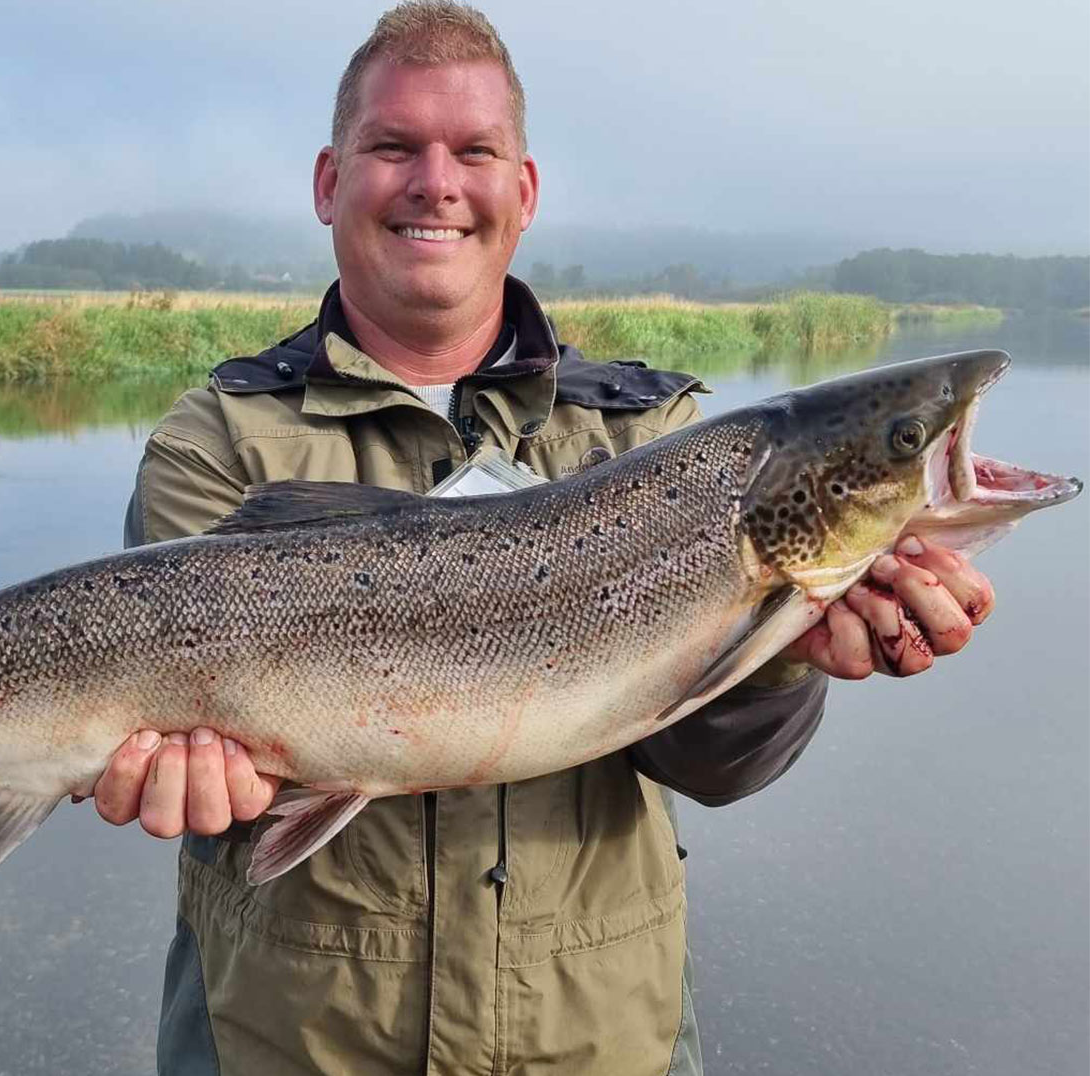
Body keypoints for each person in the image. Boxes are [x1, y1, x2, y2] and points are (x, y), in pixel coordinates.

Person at [90, 4, 996, 1073]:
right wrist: (187, 774)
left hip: (594, 1039)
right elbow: (196, 762)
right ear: (331, 180)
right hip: (289, 1046)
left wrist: (788, 657)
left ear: (522, 192)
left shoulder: (648, 439)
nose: (436, 182)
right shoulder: (217, 440)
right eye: (395, 147)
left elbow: (712, 763)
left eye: (474, 150)